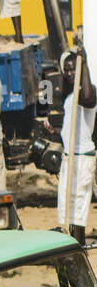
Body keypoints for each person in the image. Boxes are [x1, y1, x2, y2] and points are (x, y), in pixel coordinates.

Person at [58, 48, 96, 243]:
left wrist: (85, 65)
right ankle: (69, 250)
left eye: (74, 69)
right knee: (66, 211)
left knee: (77, 213)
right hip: (69, 157)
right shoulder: (70, 97)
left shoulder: (87, 91)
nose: (71, 73)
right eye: (67, 70)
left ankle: (78, 250)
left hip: (81, 159)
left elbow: (89, 100)